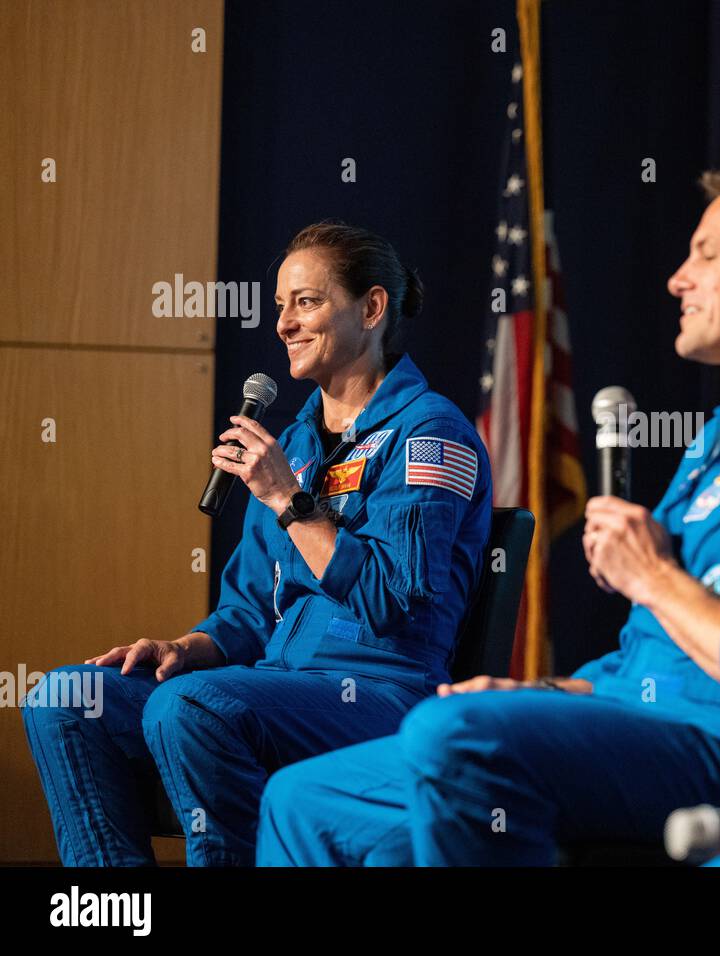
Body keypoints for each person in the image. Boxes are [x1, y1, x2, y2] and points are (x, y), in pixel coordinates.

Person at [256, 168, 720, 865]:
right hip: (650, 720)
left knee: (457, 734)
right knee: (304, 800)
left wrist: (652, 576)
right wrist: (552, 691)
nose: (679, 279)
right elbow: (654, 654)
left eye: (707, 253)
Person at [22, 222, 493, 866]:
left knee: (190, 707)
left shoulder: (430, 434)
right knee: (66, 699)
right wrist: (186, 648)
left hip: (383, 693)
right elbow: (247, 612)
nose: (284, 325)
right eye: (280, 306)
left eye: (307, 302)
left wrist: (289, 502)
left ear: (373, 308)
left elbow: (395, 603)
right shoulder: (295, 443)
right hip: (277, 683)